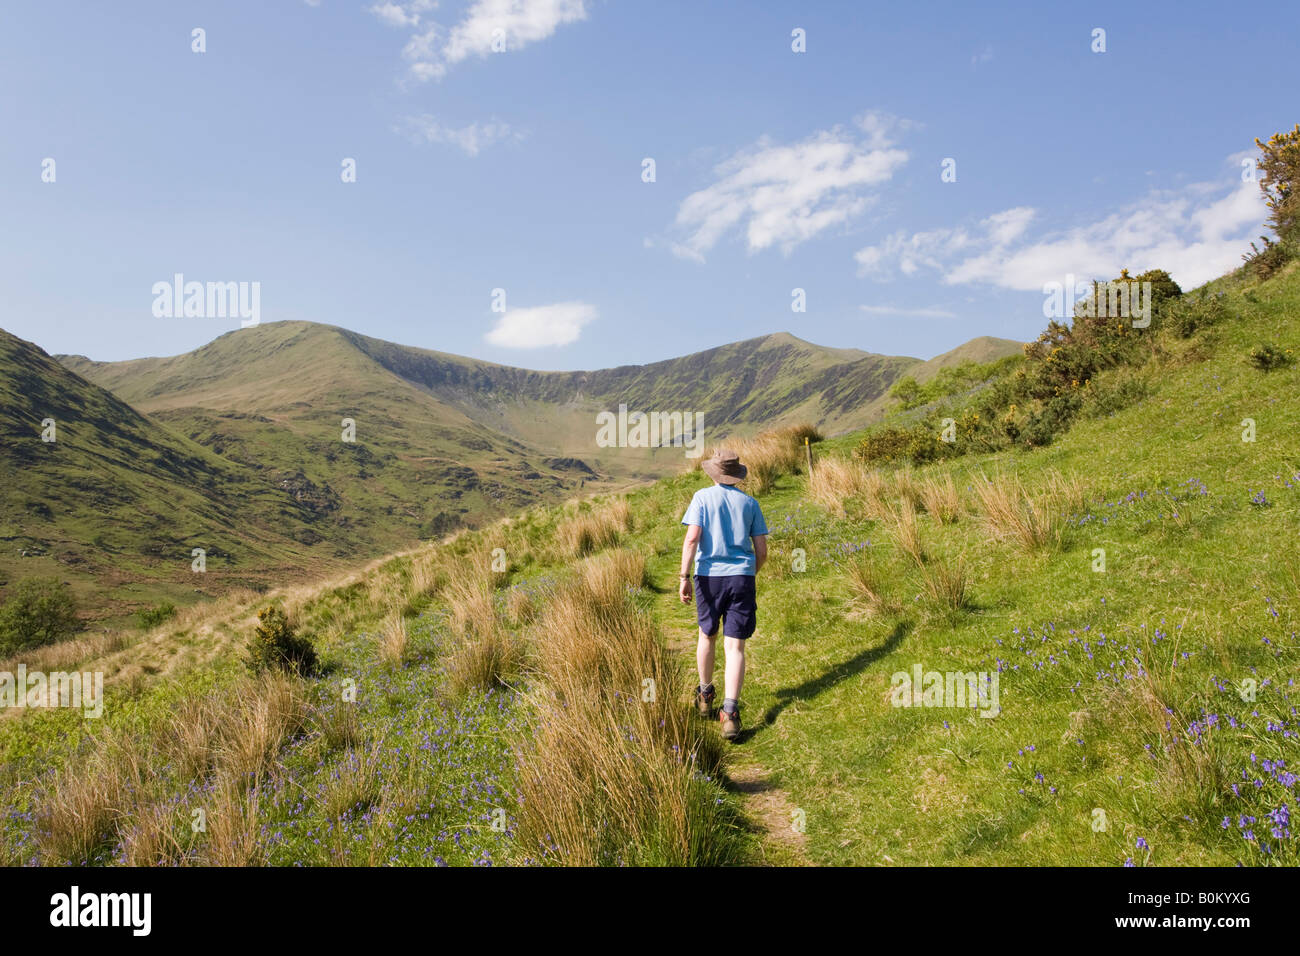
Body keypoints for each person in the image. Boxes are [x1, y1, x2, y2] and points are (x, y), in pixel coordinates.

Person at [679, 447, 768, 741]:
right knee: (736, 647)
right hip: (741, 577)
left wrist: (684, 576)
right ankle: (730, 713)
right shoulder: (751, 503)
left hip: (708, 578)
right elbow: (762, 551)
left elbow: (692, 538)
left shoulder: (702, 498)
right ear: (736, 475)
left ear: (714, 473)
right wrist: (746, 574)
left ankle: (705, 697)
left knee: (707, 636)